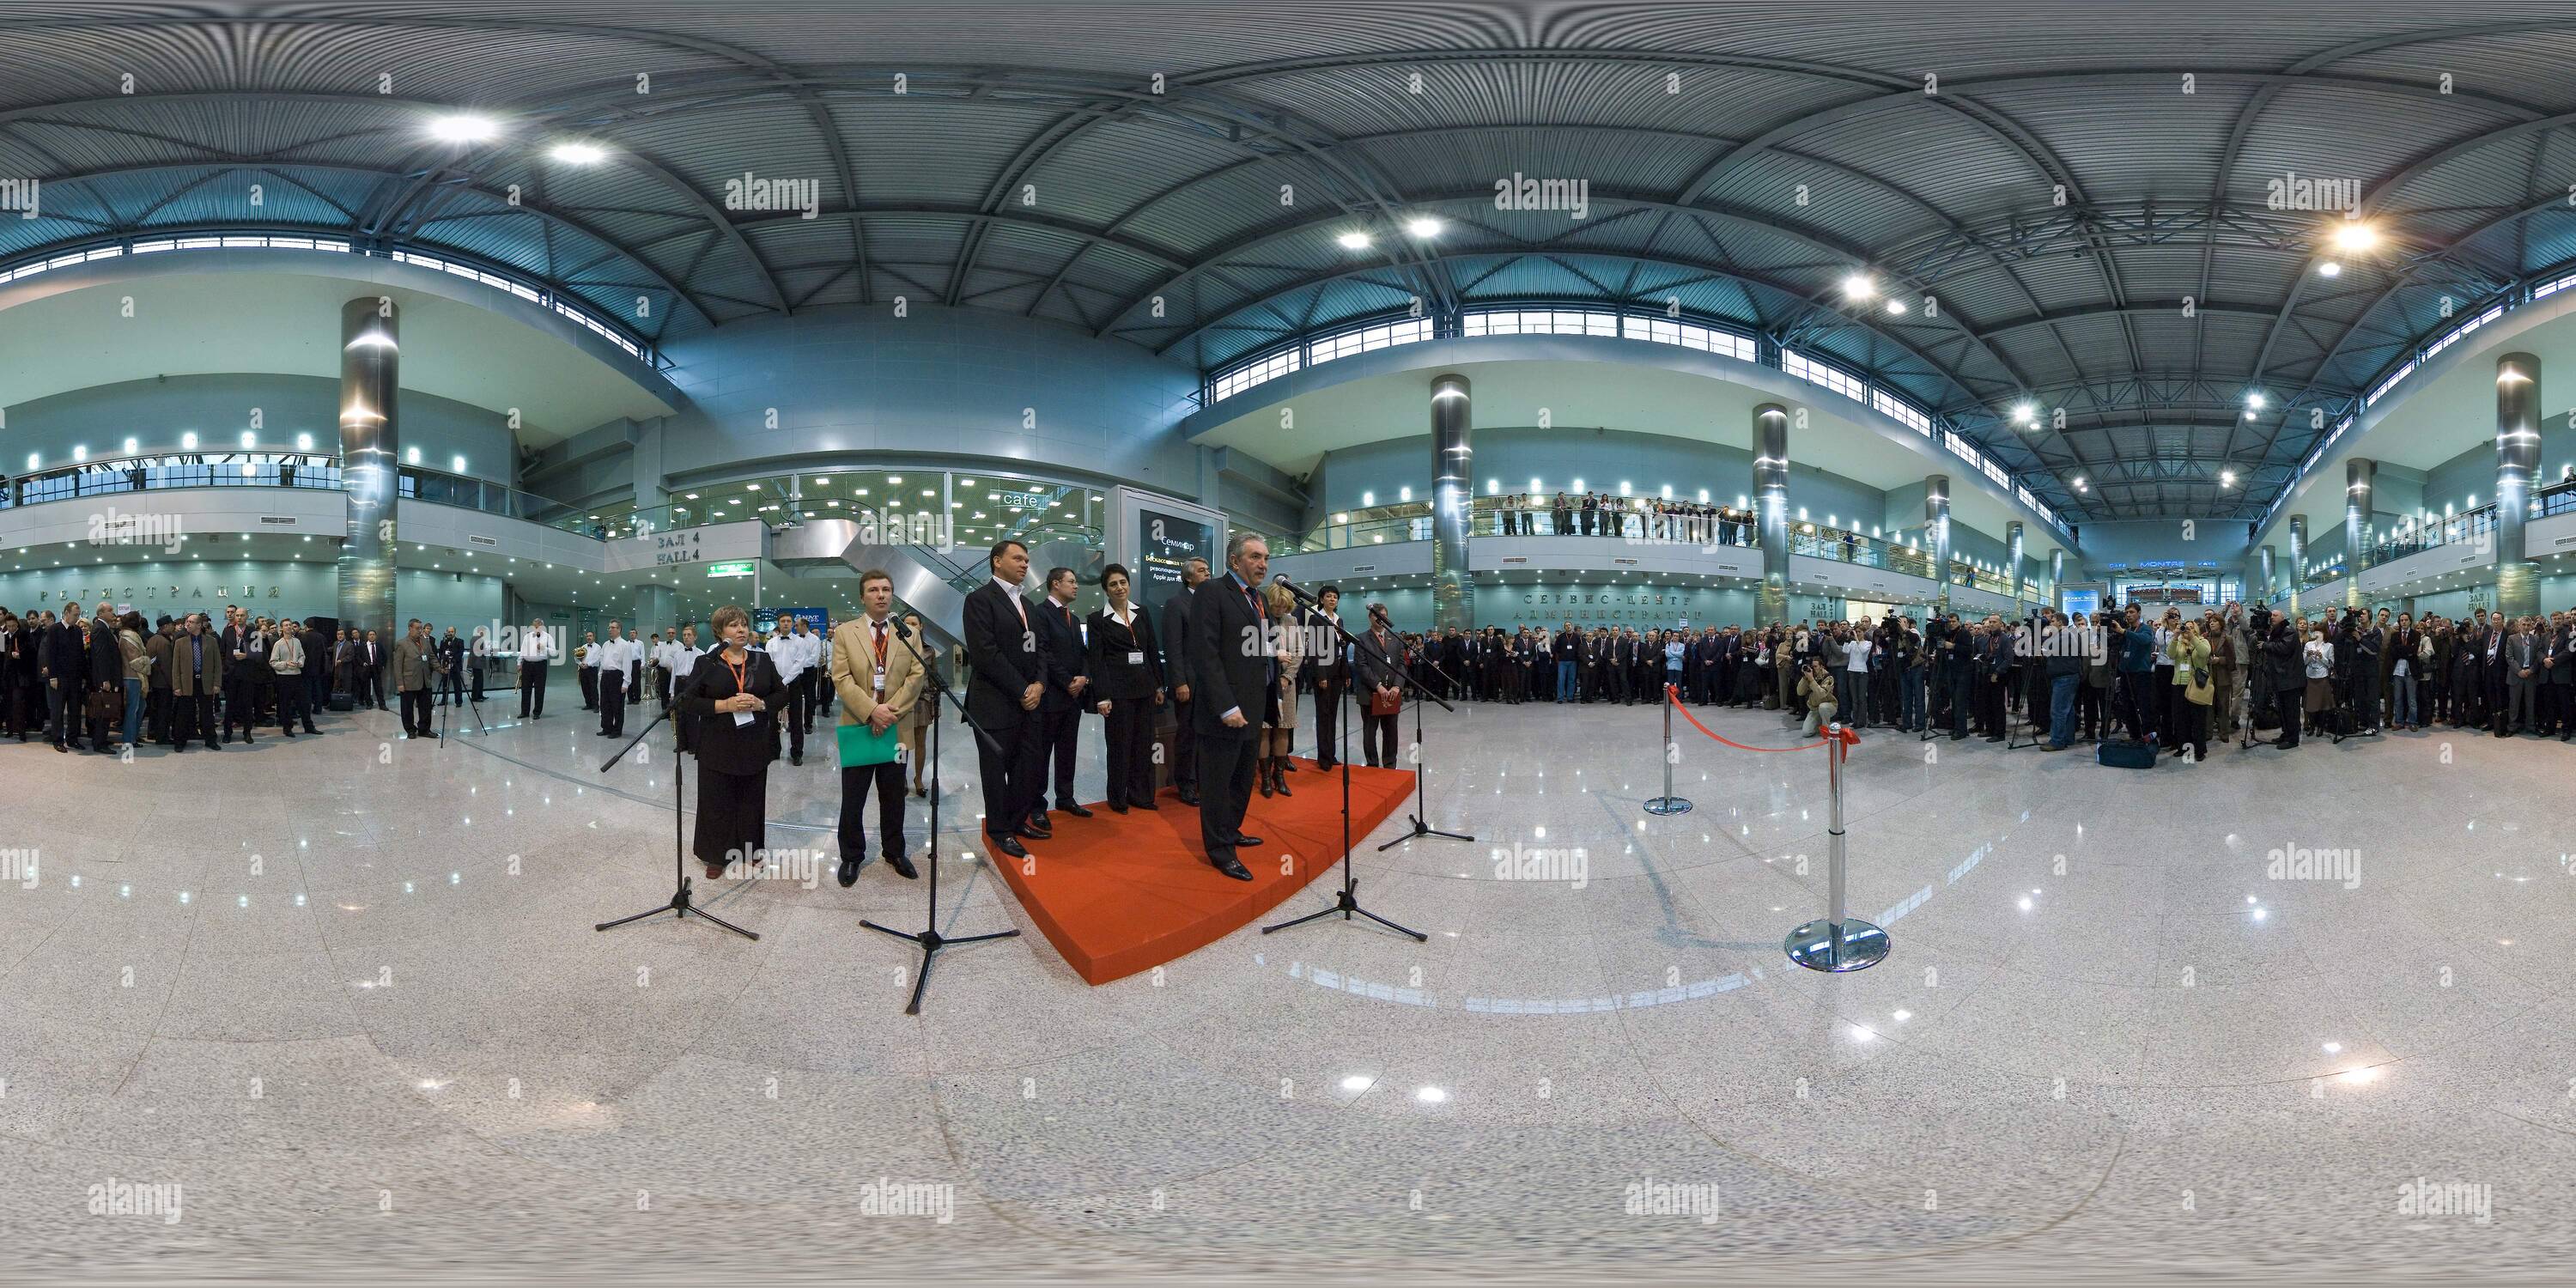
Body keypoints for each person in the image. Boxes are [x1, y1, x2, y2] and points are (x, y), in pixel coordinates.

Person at [1184, 532, 1275, 883]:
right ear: (1234, 561)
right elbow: (1205, 654)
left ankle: (1232, 830)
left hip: (1254, 706)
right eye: (1255, 557)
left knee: (1241, 781)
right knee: (1218, 784)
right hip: (1224, 711)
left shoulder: (1259, 598)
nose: (1263, 564)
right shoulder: (1212, 592)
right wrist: (1225, 706)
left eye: (1265, 558)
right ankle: (1220, 850)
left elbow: (1256, 649)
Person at [677, 605, 789, 881]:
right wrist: (724, 704)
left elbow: (782, 694)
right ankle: (715, 855)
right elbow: (688, 701)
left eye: (743, 624)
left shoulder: (762, 661)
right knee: (716, 799)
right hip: (717, 742)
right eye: (733, 625)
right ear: (720, 632)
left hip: (754, 741)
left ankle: (749, 850)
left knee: (751, 798)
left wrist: (762, 703)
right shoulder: (707, 663)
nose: (741, 629)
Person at [829, 571, 923, 886]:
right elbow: (841, 678)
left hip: (896, 730)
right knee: (853, 798)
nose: (881, 594)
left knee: (894, 795)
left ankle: (894, 851)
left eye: (886, 589)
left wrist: (889, 712)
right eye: (873, 590)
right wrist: (872, 711)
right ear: (863, 597)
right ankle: (852, 856)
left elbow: (917, 674)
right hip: (859, 727)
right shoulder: (845, 632)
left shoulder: (906, 632)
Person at [962, 538, 1049, 861]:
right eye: (1018, 558)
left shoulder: (1029, 605)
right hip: (994, 705)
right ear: (997, 561)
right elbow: (986, 654)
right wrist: (1022, 689)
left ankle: (1016, 822)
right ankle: (1000, 831)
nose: (1025, 564)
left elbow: (1042, 649)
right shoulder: (979, 600)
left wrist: (1039, 683)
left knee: (1028, 769)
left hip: (1030, 702)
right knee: (996, 774)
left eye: (1026, 559)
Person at [1085, 563, 1164, 813]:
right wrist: (1102, 696)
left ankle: (1141, 795)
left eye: (1123, 582)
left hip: (1145, 688)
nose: (1119, 588)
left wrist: (1159, 684)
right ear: (1106, 590)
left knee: (1143, 744)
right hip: (1117, 692)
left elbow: (1152, 649)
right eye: (1113, 584)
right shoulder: (1097, 619)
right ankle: (1118, 797)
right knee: (1120, 746)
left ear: (1128, 584)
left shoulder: (1142, 612)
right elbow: (1096, 661)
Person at [1029, 566, 1092, 825]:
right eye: (1072, 581)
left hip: (1072, 699)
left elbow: (1083, 653)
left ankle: (1065, 797)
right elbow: (1043, 653)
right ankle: (1037, 804)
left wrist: (1084, 677)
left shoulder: (1074, 619)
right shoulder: (1039, 614)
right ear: (1056, 583)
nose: (1076, 586)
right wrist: (1067, 681)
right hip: (1051, 696)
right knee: (1042, 753)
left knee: (1068, 750)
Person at [1160, 557, 1210, 807]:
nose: (1208, 574)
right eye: (1202, 571)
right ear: (1189, 577)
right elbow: (1173, 647)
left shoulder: (1210, 603)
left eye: (1208, 570)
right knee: (1188, 735)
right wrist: (1179, 682)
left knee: (1206, 733)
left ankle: (1204, 779)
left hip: (1211, 683)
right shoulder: (1176, 604)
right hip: (1188, 683)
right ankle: (1186, 784)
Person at [1258, 581, 1303, 798]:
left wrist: (1286, 677)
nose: (1280, 610)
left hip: (1286, 684)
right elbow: (1251, 649)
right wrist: (1274, 655)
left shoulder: (1292, 621)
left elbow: (1298, 652)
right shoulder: (1259, 619)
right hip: (1264, 683)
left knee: (1283, 728)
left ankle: (1279, 775)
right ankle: (1265, 777)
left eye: (1284, 607)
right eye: (1276, 606)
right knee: (1265, 729)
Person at [1356, 606, 1405, 769]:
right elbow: (1361, 666)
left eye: (1384, 615)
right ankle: (1372, 764)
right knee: (1370, 731)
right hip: (1370, 694)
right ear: (1370, 617)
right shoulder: (1362, 639)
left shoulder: (1396, 638)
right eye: (1377, 615)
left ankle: (1390, 763)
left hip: (1392, 694)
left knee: (1391, 731)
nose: (1381, 618)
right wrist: (1378, 686)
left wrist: (1397, 686)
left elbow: (1402, 665)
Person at [1307, 584, 1346, 767]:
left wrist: (1346, 672)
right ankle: (1323, 757)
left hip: (1338, 671)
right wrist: (1320, 675)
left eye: (1335, 597)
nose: (1332, 599)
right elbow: (1314, 649)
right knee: (1323, 714)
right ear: (1321, 599)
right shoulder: (1316, 619)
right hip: (1324, 672)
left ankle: (1331, 754)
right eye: (1329, 596)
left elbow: (1342, 647)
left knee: (1333, 714)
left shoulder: (1339, 620)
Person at [391, 618, 445, 738]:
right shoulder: (402, 644)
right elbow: (397, 665)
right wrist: (400, 683)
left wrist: (440, 669)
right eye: (417, 628)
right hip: (409, 682)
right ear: (410, 628)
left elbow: (431, 657)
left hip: (425, 681)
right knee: (407, 709)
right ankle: (410, 730)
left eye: (421, 628)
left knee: (426, 707)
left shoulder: (425, 642)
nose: (420, 630)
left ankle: (424, 730)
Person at [902, 612, 935, 798]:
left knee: (920, 742)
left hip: (922, 701)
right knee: (901, 743)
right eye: (907, 623)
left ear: (921, 627)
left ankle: (919, 778)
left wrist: (935, 707)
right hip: (901, 701)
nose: (910, 626)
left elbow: (933, 679)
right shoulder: (896, 647)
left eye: (914, 623)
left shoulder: (929, 650)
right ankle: (901, 778)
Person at [2169, 618, 2211, 761]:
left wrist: (2193, 638)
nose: (2187, 630)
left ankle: (2199, 750)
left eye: (2190, 628)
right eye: (2185, 627)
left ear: (2196, 630)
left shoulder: (2202, 641)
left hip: (2196, 685)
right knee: (2181, 719)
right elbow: (2170, 655)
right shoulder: (2179, 642)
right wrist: (2175, 637)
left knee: (2198, 719)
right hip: (2179, 684)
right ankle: (2183, 747)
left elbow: (2205, 653)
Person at [269, 618, 308, 738]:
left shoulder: (297, 641)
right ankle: (287, 728)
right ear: (282, 628)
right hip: (284, 678)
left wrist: (300, 663)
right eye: (286, 625)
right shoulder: (278, 643)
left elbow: (302, 655)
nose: (289, 627)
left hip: (297, 675)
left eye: (290, 625)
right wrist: (286, 664)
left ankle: (309, 726)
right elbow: (273, 662)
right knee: (285, 704)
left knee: (303, 703)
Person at [668, 624, 703, 751]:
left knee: (692, 715)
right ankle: (681, 744)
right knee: (680, 715)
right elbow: (674, 673)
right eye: (684, 635)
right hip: (679, 683)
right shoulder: (677, 654)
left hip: (693, 685)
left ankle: (693, 745)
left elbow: (703, 676)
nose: (686, 637)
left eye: (689, 635)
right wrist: (672, 691)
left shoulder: (701, 654)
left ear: (695, 637)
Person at [518, 618, 554, 718]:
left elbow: (554, 652)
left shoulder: (548, 637)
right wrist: (519, 662)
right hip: (527, 665)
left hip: (540, 665)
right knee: (525, 689)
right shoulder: (527, 637)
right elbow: (523, 650)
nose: (536, 627)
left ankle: (537, 712)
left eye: (538, 626)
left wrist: (544, 648)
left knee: (539, 689)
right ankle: (524, 712)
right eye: (534, 626)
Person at [1796, 657, 1838, 736]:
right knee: (1806, 733)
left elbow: (1821, 694)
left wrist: (1812, 680)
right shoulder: (1809, 676)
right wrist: (1805, 677)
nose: (1813, 669)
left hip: (1830, 706)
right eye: (1812, 667)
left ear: (1821, 666)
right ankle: (1819, 723)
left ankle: (1826, 729)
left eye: (1816, 666)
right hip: (1815, 708)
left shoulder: (1828, 677)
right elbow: (1800, 692)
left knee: (1823, 707)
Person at [436, 625, 466, 708]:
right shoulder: (443, 642)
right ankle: (444, 700)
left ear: (455, 632)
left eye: (452, 631)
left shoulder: (460, 641)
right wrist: (444, 662)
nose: (450, 633)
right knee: (445, 685)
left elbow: (460, 653)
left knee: (457, 685)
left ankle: (459, 701)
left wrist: (453, 660)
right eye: (449, 632)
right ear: (447, 632)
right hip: (446, 667)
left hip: (455, 666)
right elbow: (441, 653)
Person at [576, 630, 599, 710]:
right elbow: (576, 657)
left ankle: (595, 705)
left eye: (590, 636)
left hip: (592, 670)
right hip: (583, 670)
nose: (589, 637)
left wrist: (588, 665)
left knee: (593, 688)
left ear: (594, 637)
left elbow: (597, 659)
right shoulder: (583, 647)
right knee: (585, 687)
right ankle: (588, 704)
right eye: (587, 636)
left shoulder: (598, 647)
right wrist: (580, 664)